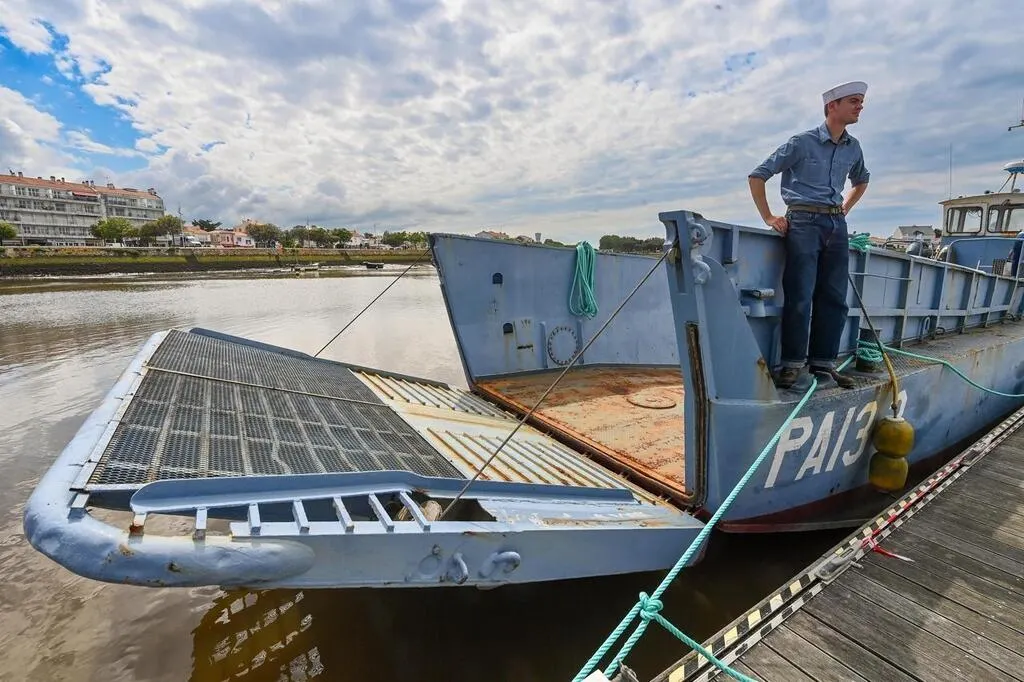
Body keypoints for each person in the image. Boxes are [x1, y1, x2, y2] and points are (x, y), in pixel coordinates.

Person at [748, 81, 871, 390]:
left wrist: (844, 208)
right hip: (802, 221)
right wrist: (768, 216)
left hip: (835, 224)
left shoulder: (853, 147)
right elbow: (758, 174)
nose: (860, 106)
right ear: (833, 106)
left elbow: (861, 180)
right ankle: (792, 365)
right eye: (854, 101)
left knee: (833, 297)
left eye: (861, 101)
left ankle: (823, 365)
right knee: (800, 294)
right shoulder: (801, 143)